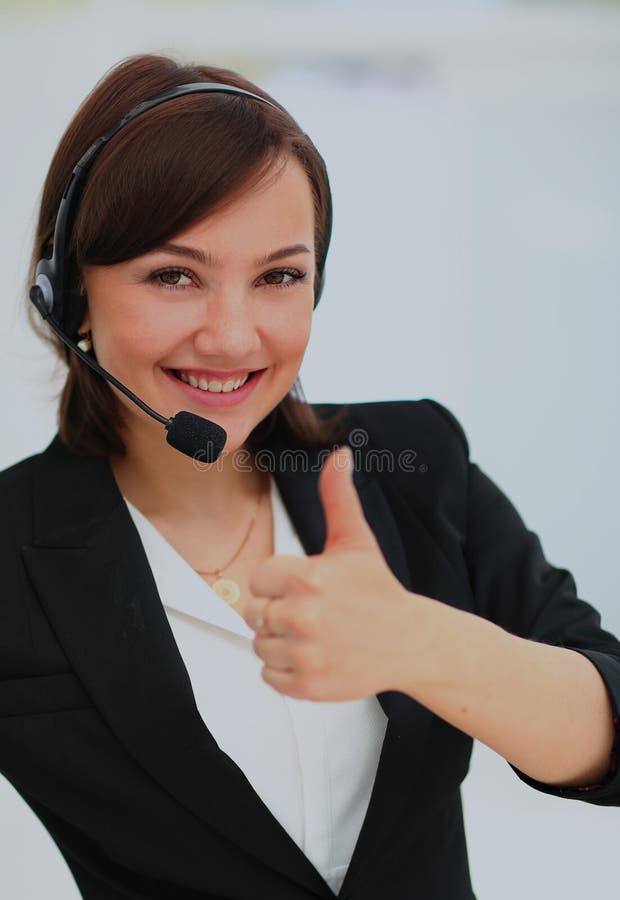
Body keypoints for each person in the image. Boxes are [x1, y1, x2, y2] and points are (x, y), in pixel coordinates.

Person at [1, 52, 618, 900]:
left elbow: (609, 737)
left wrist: (419, 642)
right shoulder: (10, 546)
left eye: (279, 277)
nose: (232, 336)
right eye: (174, 275)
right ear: (70, 293)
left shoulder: (414, 462)